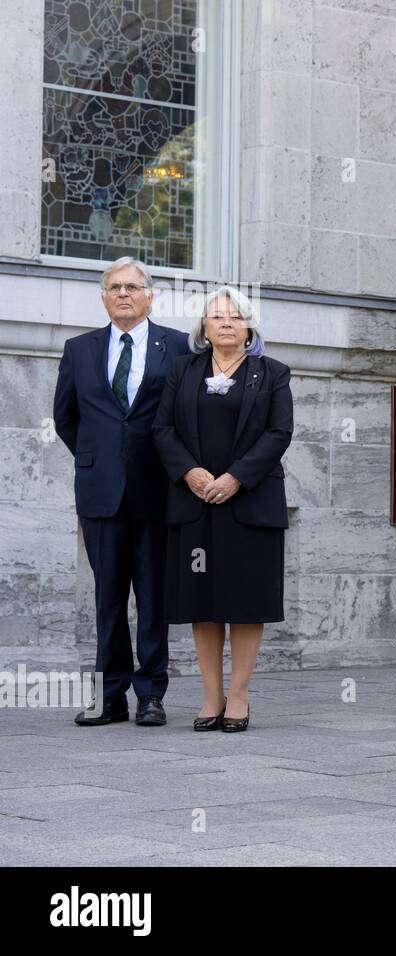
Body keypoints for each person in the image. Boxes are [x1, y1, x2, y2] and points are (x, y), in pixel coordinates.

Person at [53, 257, 191, 727]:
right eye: (115, 288)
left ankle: (151, 695)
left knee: (153, 598)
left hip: (157, 489)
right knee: (108, 598)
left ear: (150, 295)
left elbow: (184, 418)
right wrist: (99, 459)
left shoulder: (177, 346)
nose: (124, 294)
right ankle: (109, 697)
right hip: (101, 492)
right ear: (104, 296)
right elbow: (65, 418)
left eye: (133, 287)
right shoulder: (79, 349)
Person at [152, 286, 293, 733]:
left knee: (246, 601)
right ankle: (211, 695)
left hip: (250, 503)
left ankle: (239, 696)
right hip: (196, 503)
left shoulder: (272, 373)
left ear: (249, 327)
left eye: (235, 316)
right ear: (204, 329)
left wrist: (235, 477)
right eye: (217, 317)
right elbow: (162, 428)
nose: (226, 323)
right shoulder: (182, 370)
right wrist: (189, 472)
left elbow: (278, 433)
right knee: (204, 601)